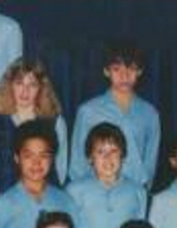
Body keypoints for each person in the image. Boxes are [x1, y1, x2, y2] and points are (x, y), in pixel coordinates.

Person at [69, 42, 161, 187]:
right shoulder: (88, 111)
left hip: (134, 189)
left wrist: (145, 190)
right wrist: (81, 191)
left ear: (140, 71)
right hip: (95, 189)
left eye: (131, 69)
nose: (124, 76)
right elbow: (78, 160)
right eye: (117, 69)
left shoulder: (149, 113)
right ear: (106, 71)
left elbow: (150, 159)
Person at [65, 122, 148, 228]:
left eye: (114, 151)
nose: (107, 157)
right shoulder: (74, 191)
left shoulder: (137, 191)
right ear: (90, 158)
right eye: (100, 151)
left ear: (123, 156)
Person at [0, 122, 75, 228]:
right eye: (28, 156)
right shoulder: (2, 203)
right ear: (17, 158)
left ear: (52, 159)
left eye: (43, 156)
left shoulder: (65, 201)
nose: (36, 163)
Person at [0, 58, 69, 193]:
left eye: (32, 85)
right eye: (19, 83)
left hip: (45, 195)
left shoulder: (54, 121)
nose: (25, 91)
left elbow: (61, 169)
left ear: (41, 88)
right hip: (8, 194)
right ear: (10, 85)